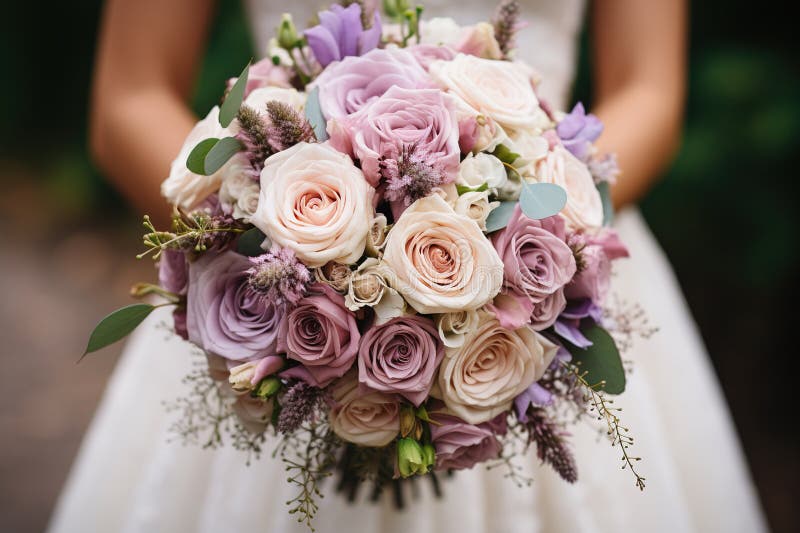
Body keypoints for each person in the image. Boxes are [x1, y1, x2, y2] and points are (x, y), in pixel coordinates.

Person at [48, 1, 769, 531]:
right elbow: (128, 97)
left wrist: (533, 235)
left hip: (552, 264)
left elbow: (650, 89)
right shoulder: (269, 260)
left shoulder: (544, 239)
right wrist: (263, 246)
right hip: (266, 272)